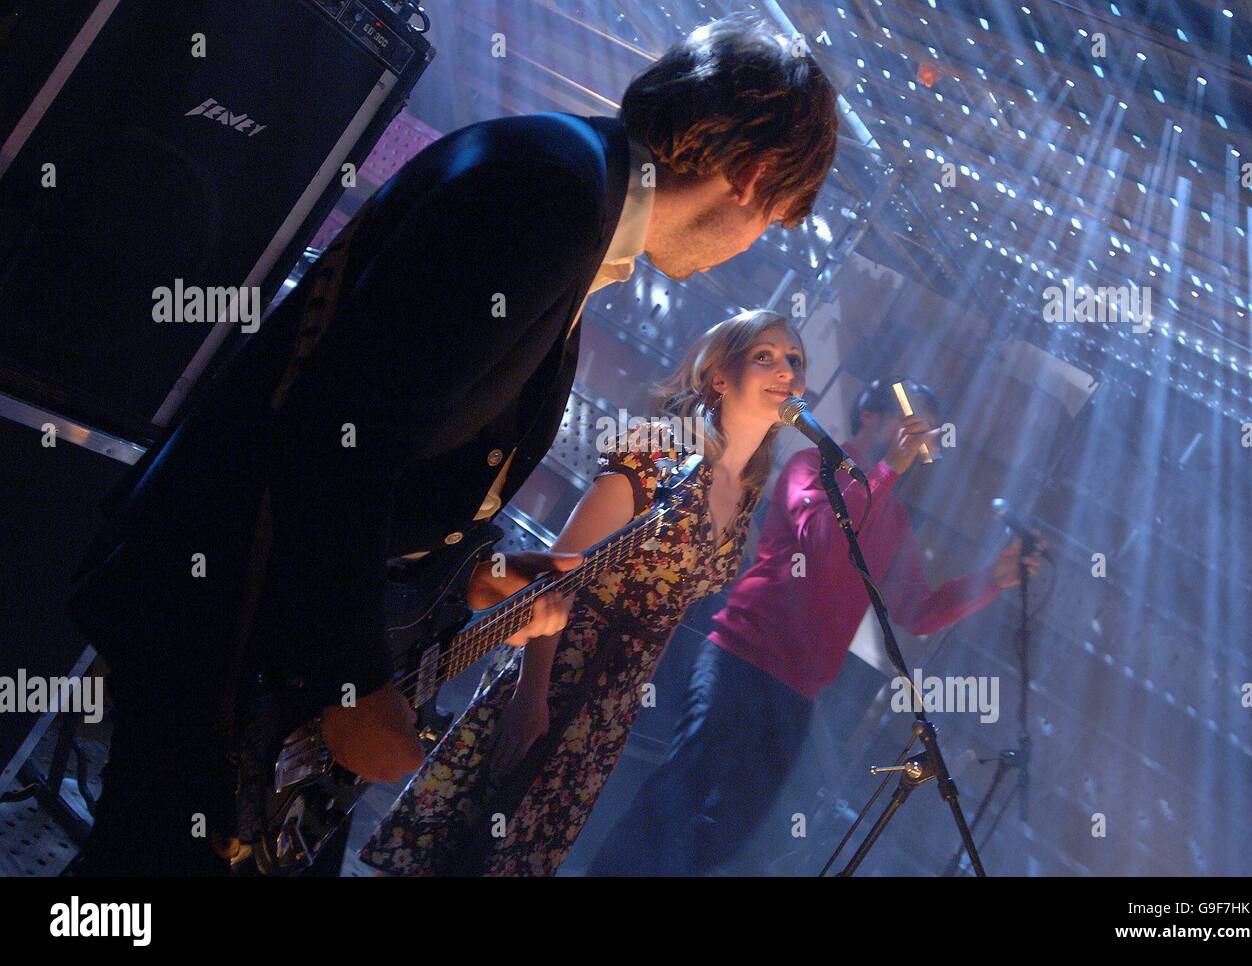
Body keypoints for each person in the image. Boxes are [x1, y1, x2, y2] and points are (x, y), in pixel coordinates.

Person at [63, 14, 839, 876]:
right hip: (226, 611)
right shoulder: (549, 195)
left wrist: (468, 571)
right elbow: (338, 438)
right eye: (773, 220)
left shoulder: (569, 183)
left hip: (246, 611)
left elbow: (400, 424)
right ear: (756, 176)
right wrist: (347, 684)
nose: (752, 244)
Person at [359, 310, 807, 875]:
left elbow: (671, 617)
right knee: (461, 842)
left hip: (609, 706)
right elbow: (556, 575)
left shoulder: (744, 498)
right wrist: (531, 697)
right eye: (765, 356)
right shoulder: (660, 455)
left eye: (795, 360)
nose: (785, 370)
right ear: (718, 376)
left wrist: (620, 714)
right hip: (555, 672)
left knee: (520, 854)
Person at [588, 379, 1047, 876]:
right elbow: (820, 537)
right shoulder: (812, 467)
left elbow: (916, 611)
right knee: (677, 796)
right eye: (907, 419)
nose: (917, 435)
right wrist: (889, 468)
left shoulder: (893, 517)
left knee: (733, 830)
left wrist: (992, 581)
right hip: (742, 658)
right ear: (869, 417)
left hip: (798, 690)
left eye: (924, 428)